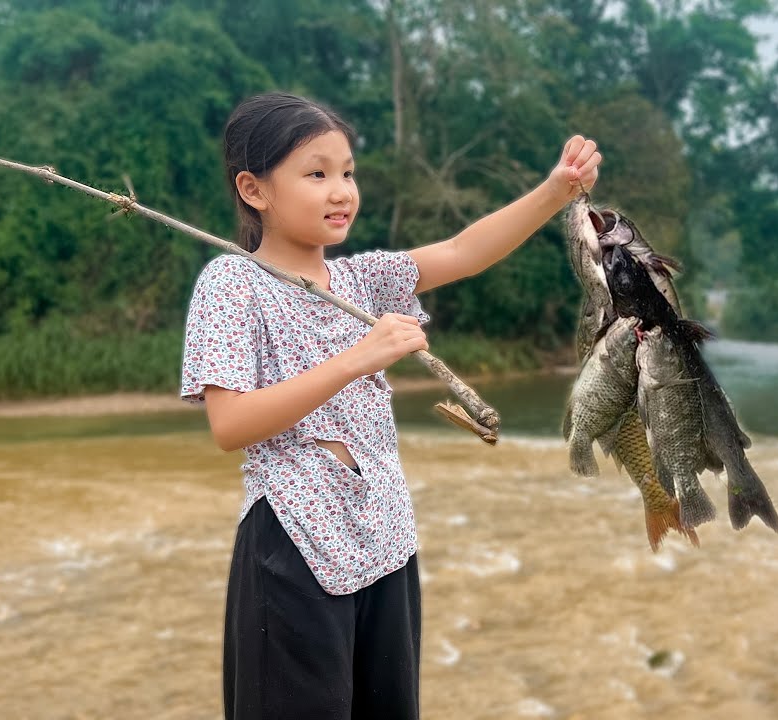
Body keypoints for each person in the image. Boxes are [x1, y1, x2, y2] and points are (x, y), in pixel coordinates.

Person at [179, 91, 601, 719]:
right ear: (254, 189)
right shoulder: (232, 283)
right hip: (294, 548)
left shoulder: (361, 280)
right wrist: (356, 359)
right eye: (316, 173)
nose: (340, 190)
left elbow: (462, 252)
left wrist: (555, 191)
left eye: (347, 172)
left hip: (384, 538)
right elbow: (230, 424)